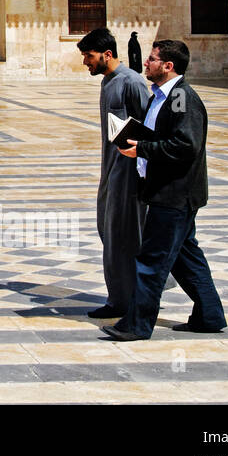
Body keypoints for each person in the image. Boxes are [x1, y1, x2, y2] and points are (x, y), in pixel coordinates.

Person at [101, 40, 227, 341]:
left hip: (174, 195)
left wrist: (142, 149)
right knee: (186, 259)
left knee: (151, 262)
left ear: (168, 66)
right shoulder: (161, 96)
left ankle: (136, 324)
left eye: (152, 59)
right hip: (164, 191)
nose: (146, 63)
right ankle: (210, 316)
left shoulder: (182, 97)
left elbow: (186, 144)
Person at [77, 28, 151, 320]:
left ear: (107, 54)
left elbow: (147, 126)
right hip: (110, 170)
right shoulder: (108, 81)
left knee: (124, 236)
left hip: (129, 174)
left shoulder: (132, 82)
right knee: (109, 232)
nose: (86, 62)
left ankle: (126, 300)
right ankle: (121, 295)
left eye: (89, 56)